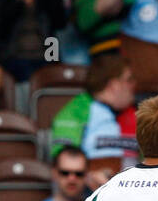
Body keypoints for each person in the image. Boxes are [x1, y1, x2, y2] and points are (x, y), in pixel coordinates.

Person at [49, 52, 139, 180]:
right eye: (129, 80)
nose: (135, 85)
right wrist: (89, 178)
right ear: (113, 85)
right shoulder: (77, 110)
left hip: (134, 190)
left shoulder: (137, 112)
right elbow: (63, 165)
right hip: (88, 194)